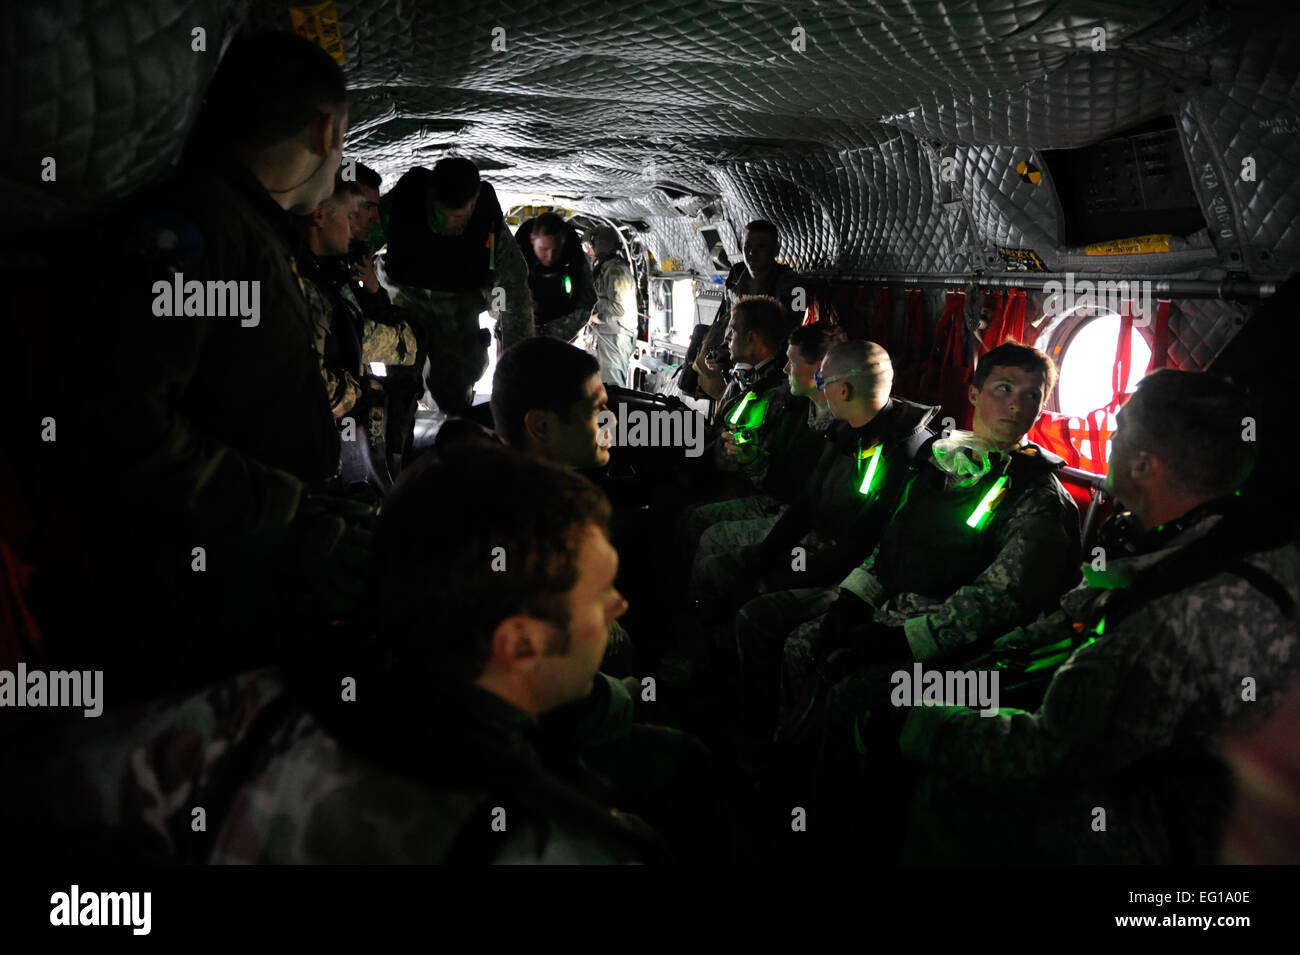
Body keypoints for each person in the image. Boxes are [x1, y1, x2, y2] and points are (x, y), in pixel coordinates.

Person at [28, 31, 372, 700]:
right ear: (327, 130)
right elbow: (118, 422)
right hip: (180, 607)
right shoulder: (196, 229)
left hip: (232, 578)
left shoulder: (243, 228)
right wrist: (290, 514)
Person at [897, 370, 1300, 863]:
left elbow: (1048, 753)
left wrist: (928, 719)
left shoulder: (1166, 618)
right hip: (1224, 786)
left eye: (1119, 430)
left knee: (950, 792)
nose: (1108, 439)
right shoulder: (1231, 544)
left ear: (1144, 465)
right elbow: (1076, 613)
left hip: (1189, 831)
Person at [775, 341, 1081, 747]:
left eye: (1032, 395)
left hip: (974, 654)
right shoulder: (940, 463)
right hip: (895, 611)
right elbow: (892, 543)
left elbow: (1000, 600)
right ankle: (792, 756)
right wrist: (852, 602)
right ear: (974, 393)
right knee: (803, 646)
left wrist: (903, 641)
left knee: (855, 696)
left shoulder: (1037, 496)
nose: (1016, 404)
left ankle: (839, 797)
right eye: (1003, 389)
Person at [725, 341, 938, 734]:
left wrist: (783, 572)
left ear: (842, 391)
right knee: (738, 576)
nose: (818, 388)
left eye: (822, 379)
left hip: (856, 579)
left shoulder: (905, 451)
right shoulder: (844, 430)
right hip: (826, 553)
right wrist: (767, 554)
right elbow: (806, 504)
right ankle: (744, 712)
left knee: (755, 617)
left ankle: (771, 738)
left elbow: (859, 546)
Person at [379, 157, 534, 413]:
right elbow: (358, 233)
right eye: (442, 215)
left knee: (455, 388)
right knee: (400, 383)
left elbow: (514, 287)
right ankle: (395, 444)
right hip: (404, 294)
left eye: (460, 217)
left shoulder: (487, 219)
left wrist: (517, 370)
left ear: (473, 203)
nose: (450, 225)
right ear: (430, 196)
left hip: (457, 302)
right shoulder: (404, 200)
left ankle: (457, 437)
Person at [691, 220, 805, 399]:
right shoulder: (736, 279)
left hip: (772, 369)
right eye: (748, 246)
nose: (752, 253)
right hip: (738, 365)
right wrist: (723, 351)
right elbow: (732, 324)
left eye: (761, 247)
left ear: (775, 250)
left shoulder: (794, 286)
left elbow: (793, 330)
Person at [516, 212, 598, 342]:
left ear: (563, 242)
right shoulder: (515, 256)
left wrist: (549, 334)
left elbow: (586, 303)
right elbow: (495, 303)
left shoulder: (573, 257)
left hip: (557, 332)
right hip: (519, 331)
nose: (550, 257)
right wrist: (519, 304)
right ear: (532, 240)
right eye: (544, 249)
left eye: (555, 250)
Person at [585, 226, 639, 386]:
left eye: (589, 246)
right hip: (606, 335)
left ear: (601, 245)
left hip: (615, 338)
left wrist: (591, 303)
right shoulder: (605, 269)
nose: (588, 252)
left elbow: (619, 308)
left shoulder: (617, 271)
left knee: (613, 389)